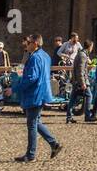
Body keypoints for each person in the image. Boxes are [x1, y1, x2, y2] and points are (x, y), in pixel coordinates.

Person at [15, 34, 62, 162]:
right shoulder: (46, 56)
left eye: (28, 42)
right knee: (36, 122)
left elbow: (32, 78)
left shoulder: (35, 57)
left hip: (35, 94)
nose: (26, 44)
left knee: (31, 124)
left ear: (35, 43)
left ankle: (31, 155)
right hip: (42, 93)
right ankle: (54, 144)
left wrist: (14, 88)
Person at [65, 40, 92, 124]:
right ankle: (87, 116)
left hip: (76, 81)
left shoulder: (81, 54)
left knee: (73, 99)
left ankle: (69, 117)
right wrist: (83, 83)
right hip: (80, 81)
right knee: (89, 96)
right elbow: (80, 71)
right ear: (90, 46)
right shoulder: (82, 55)